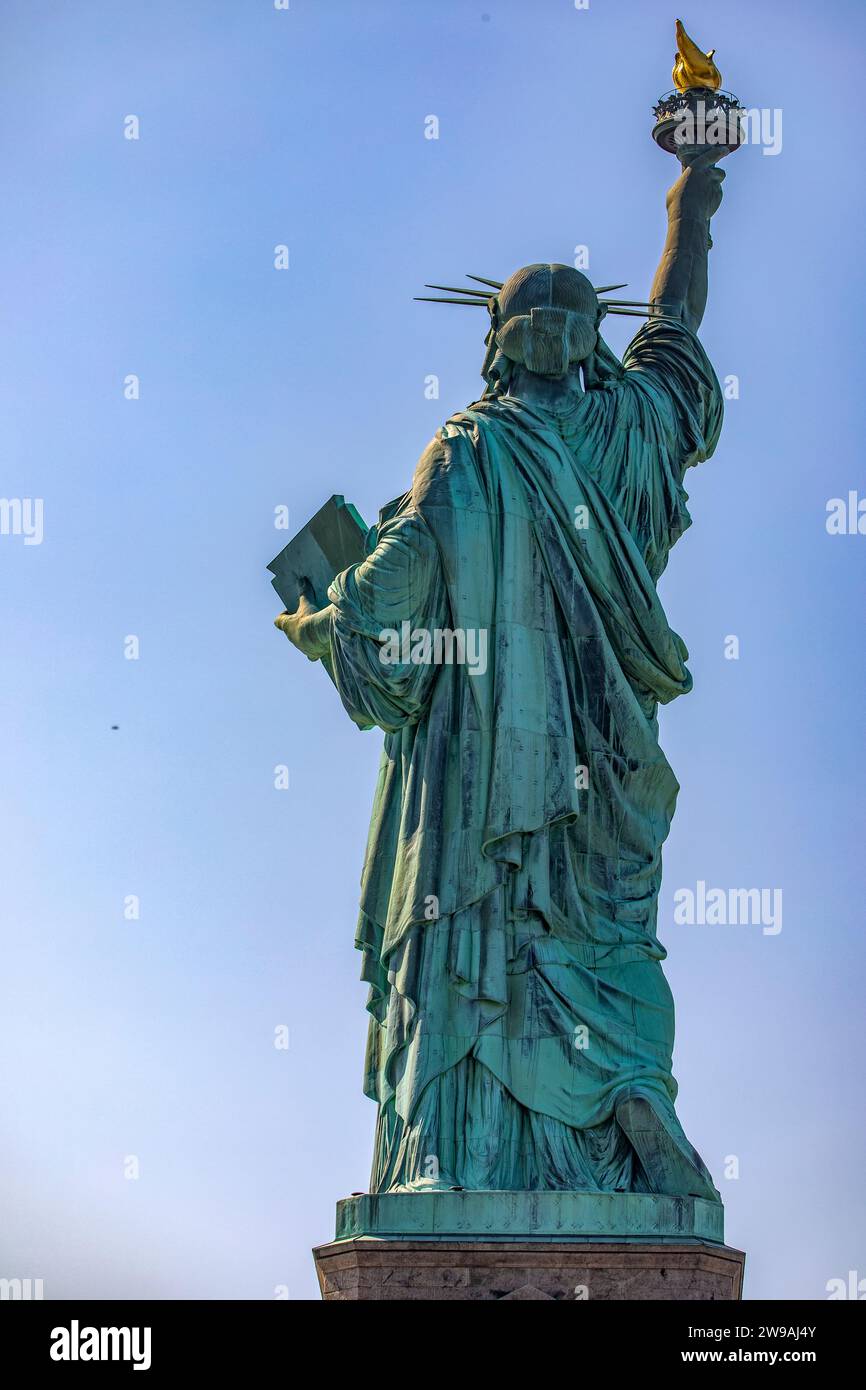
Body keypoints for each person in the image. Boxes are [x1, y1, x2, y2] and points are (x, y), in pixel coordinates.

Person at [277, 153, 727, 1199]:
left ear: (495, 345)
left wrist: (317, 619)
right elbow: (676, 329)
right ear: (588, 345)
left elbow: (380, 602)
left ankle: (448, 1152)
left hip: (482, 783)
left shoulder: (468, 448)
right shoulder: (631, 433)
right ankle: (633, 1106)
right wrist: (690, 195)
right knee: (604, 943)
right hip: (603, 771)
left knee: (470, 923)